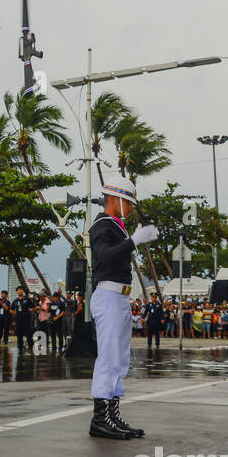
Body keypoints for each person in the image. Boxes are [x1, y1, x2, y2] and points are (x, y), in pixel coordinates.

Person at [88, 177, 156, 439]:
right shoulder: (102, 226)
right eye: (127, 202)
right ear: (114, 199)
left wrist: (132, 239)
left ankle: (112, 415)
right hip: (108, 295)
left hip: (120, 298)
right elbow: (104, 256)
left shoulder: (116, 226)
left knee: (119, 360)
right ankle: (100, 419)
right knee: (108, 358)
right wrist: (133, 241)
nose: (129, 207)